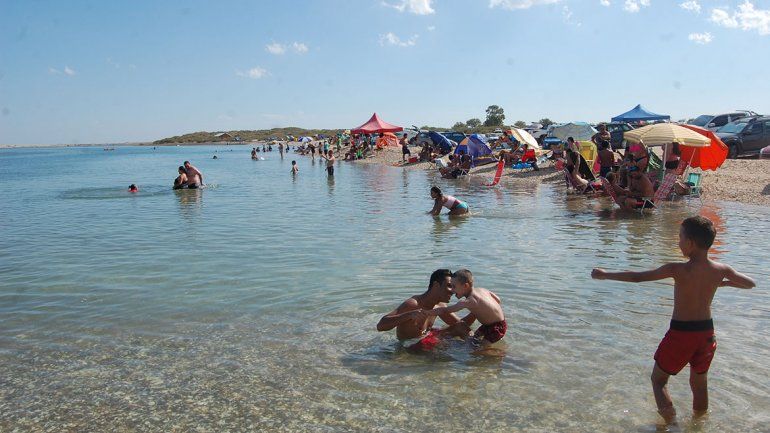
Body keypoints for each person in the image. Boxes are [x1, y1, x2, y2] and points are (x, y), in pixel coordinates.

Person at [591, 216, 755, 424]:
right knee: (699, 382)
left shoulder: (677, 269)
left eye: (680, 237)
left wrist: (605, 274)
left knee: (658, 381)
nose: (678, 242)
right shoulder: (721, 270)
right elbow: (750, 284)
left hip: (681, 334)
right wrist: (726, 284)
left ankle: (672, 426)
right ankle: (698, 424)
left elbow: (638, 277)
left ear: (691, 243)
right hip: (706, 334)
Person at [377, 269, 474, 350]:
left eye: (453, 286)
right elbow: (380, 326)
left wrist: (476, 311)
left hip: (426, 340)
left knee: (461, 329)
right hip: (410, 347)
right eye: (449, 286)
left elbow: (461, 325)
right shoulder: (413, 304)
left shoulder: (439, 306)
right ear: (436, 285)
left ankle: (477, 352)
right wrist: (409, 315)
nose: (453, 291)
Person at [421, 269, 505, 350]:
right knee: (474, 340)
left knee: (479, 349)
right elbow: (498, 299)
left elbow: (445, 310)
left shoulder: (468, 301)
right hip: (491, 325)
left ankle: (498, 354)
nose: (452, 291)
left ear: (465, 286)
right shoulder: (482, 290)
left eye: (454, 287)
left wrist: (426, 313)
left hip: (496, 328)